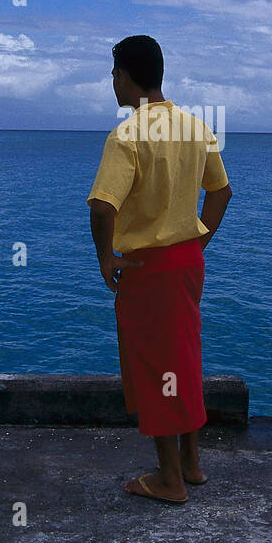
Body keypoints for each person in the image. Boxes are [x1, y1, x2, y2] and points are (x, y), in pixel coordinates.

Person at [87, 35, 232, 504]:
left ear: (125, 76)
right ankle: (190, 464)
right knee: (183, 358)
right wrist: (199, 238)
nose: (112, 82)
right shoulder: (195, 127)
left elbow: (102, 206)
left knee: (154, 367)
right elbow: (221, 192)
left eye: (114, 73)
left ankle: (169, 479)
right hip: (188, 262)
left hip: (149, 267)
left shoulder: (127, 134)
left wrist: (105, 257)